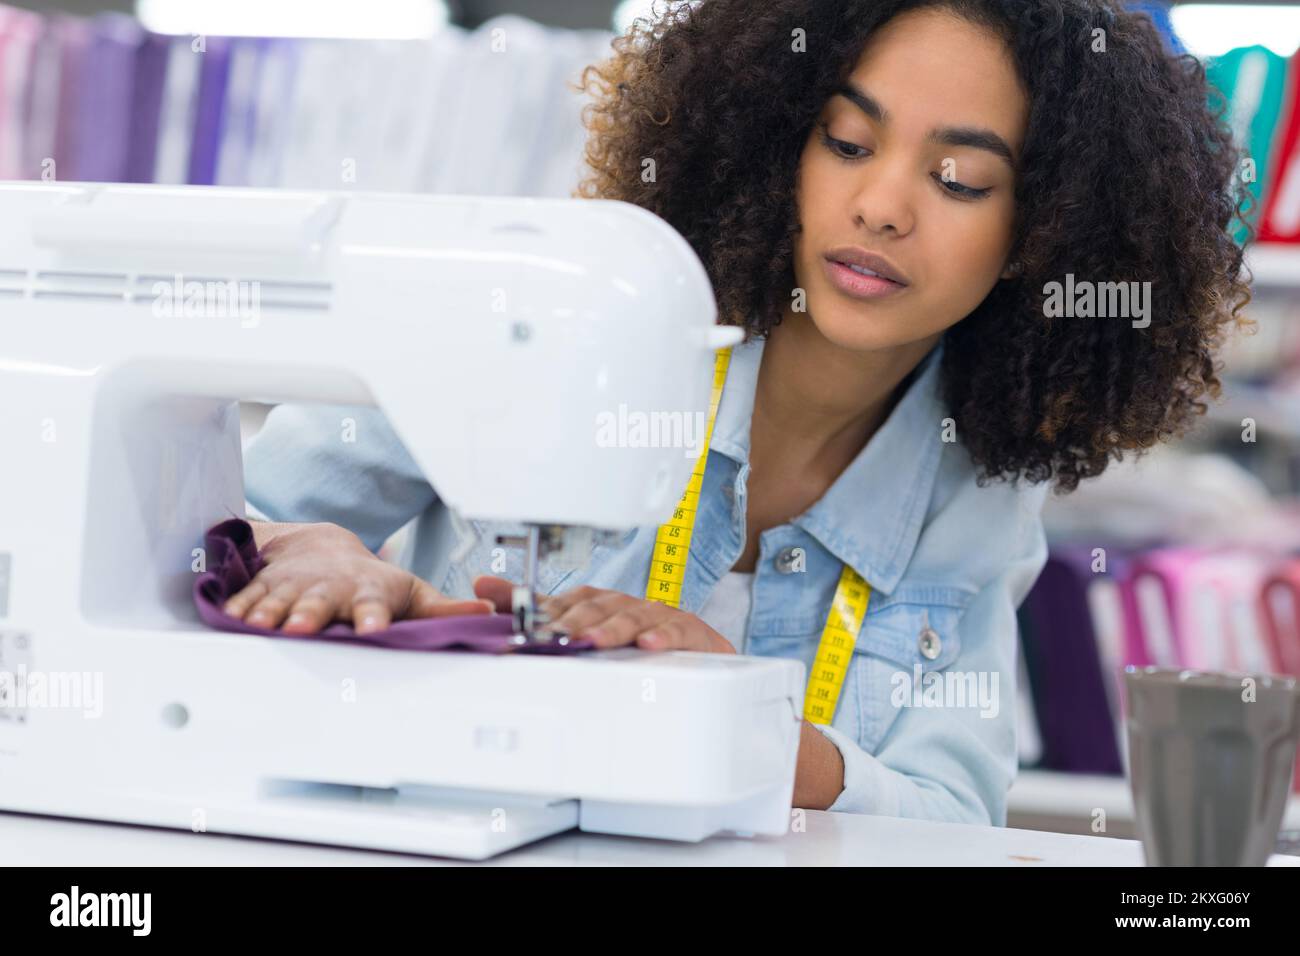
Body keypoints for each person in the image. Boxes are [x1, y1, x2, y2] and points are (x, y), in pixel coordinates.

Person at [227, 0, 1250, 824]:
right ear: (773, 142)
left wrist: (746, 717)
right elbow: (209, 525)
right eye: (846, 142)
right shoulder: (557, 325)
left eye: (957, 178)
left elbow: (951, 808)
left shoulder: (972, 487)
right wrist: (307, 544)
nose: (884, 204)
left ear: (1042, 233)